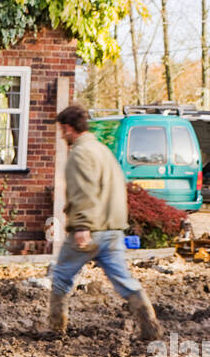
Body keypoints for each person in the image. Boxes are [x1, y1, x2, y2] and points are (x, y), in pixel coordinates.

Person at [49, 103, 161, 342]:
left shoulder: (79, 154)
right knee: (123, 280)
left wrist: (81, 227)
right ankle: (149, 324)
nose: (61, 135)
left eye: (62, 130)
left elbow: (83, 192)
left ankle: (55, 330)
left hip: (90, 230)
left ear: (69, 128)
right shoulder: (103, 151)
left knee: (61, 276)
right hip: (113, 230)